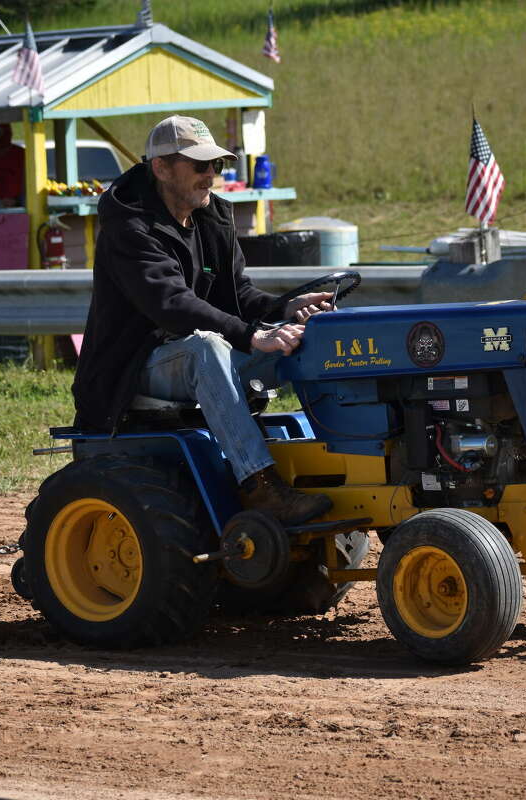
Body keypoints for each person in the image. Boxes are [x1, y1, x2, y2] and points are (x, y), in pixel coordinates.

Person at [72, 115, 334, 525]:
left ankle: (340, 461)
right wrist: (251, 337)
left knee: (308, 337)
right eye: (199, 165)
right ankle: (260, 485)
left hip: (189, 354)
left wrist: (287, 309)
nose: (211, 174)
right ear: (161, 168)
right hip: (132, 369)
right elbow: (173, 306)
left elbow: (239, 295)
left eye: (217, 165)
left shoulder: (210, 220)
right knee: (208, 348)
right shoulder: (130, 227)